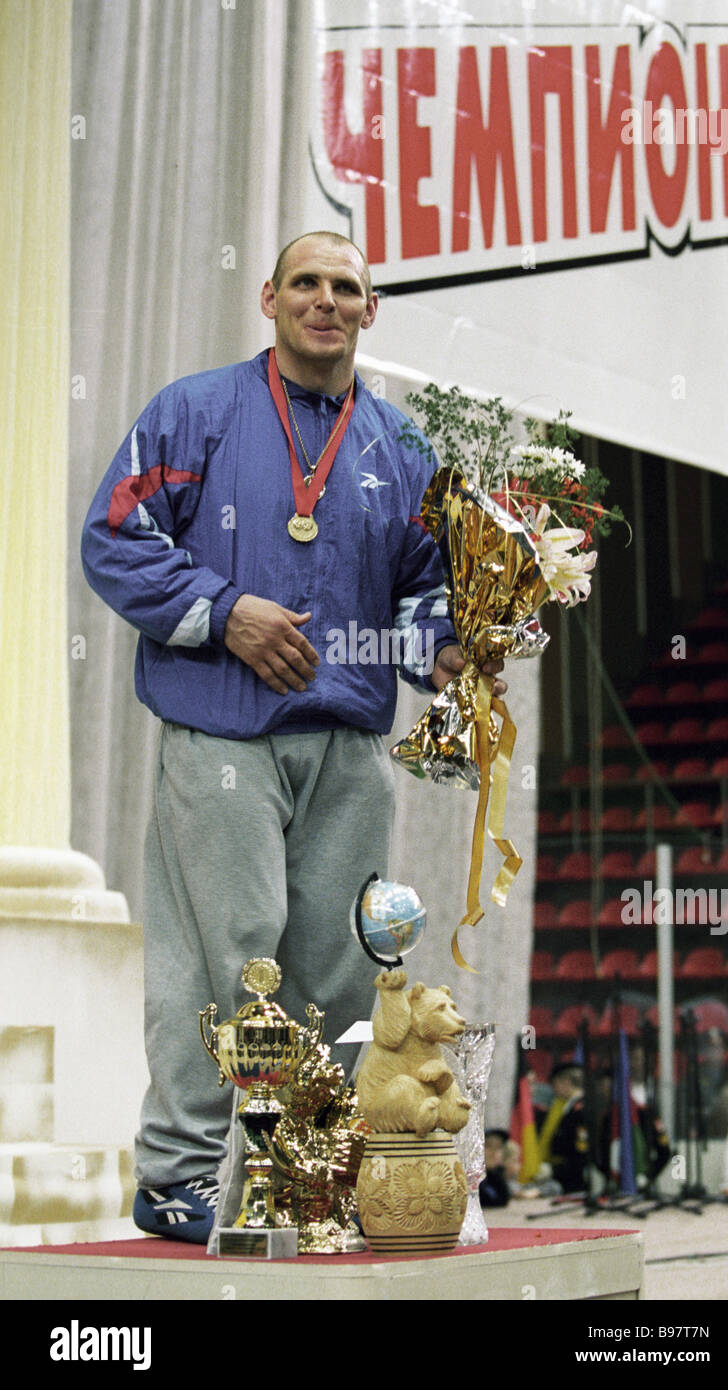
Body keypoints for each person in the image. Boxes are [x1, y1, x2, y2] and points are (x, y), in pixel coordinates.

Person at [81, 230, 504, 1243]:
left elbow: (420, 592)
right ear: (268, 296)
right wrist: (226, 610)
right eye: (306, 282)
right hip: (219, 731)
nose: (325, 299)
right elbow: (114, 536)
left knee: (343, 970)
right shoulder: (192, 412)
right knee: (230, 954)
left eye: (345, 287)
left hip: (352, 747)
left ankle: (302, 1174)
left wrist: (445, 651)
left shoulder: (404, 450)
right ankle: (183, 1172)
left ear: (370, 310)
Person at [532, 1062, 589, 1194]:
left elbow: (580, 1151)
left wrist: (555, 1170)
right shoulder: (563, 1106)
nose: (554, 1089)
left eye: (555, 1084)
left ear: (565, 1082)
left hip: (572, 1179)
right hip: (562, 1174)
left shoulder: (579, 1110)